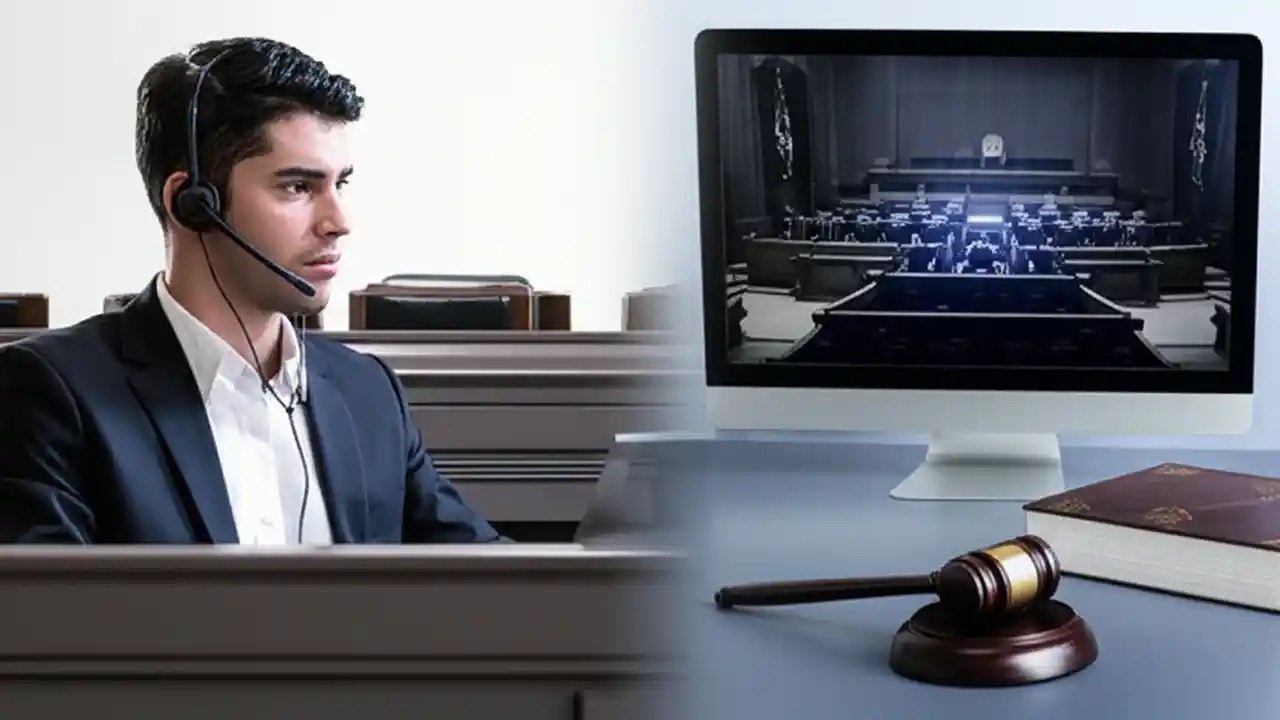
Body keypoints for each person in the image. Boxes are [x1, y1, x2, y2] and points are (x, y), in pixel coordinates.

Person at [0, 37, 508, 544]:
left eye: (340, 184)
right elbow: (51, 596)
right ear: (192, 203)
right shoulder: (52, 391)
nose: (338, 221)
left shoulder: (367, 392)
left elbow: (487, 575)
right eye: (298, 187)